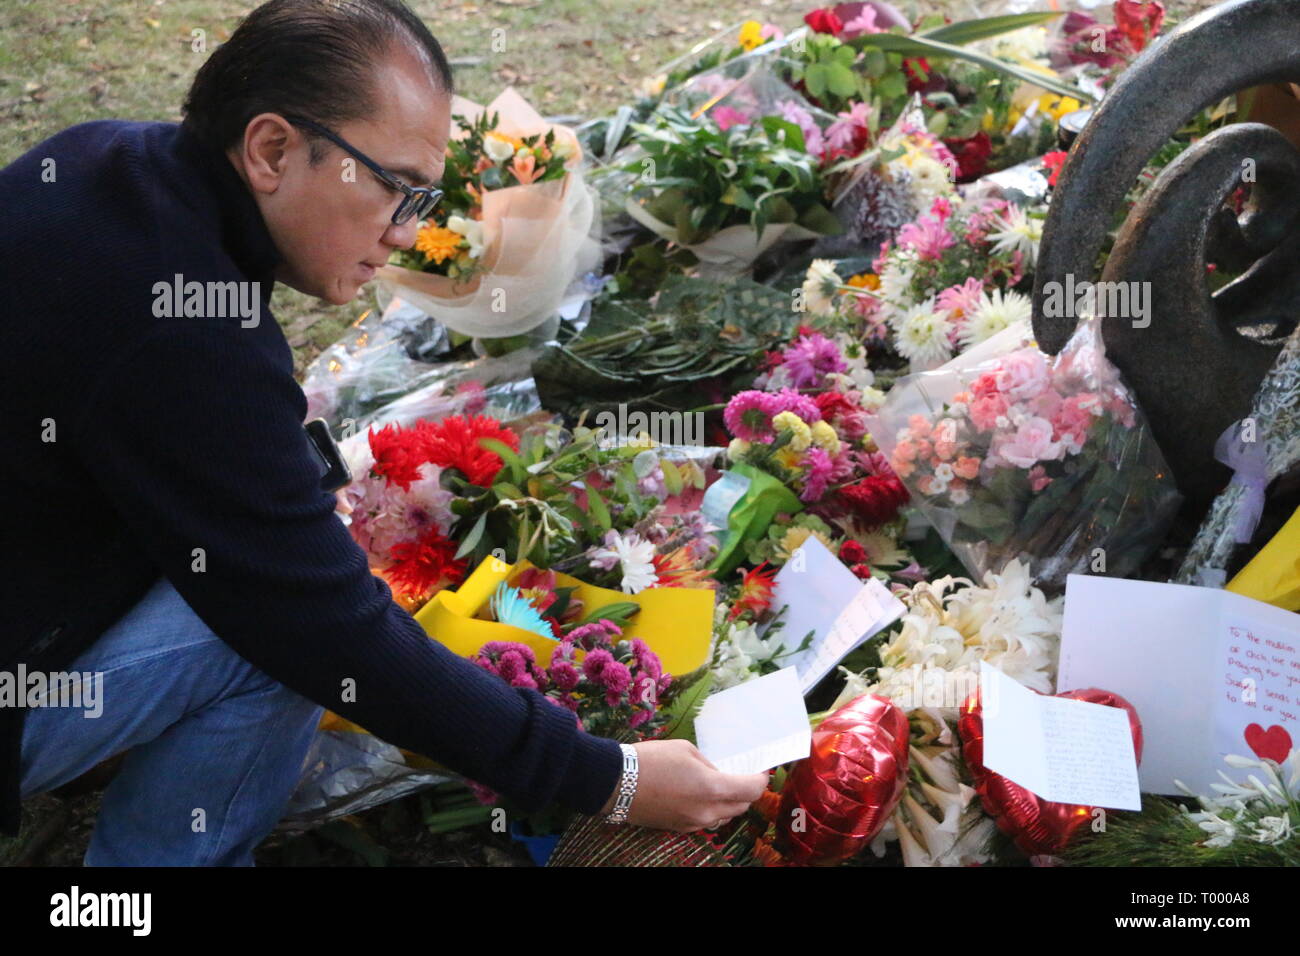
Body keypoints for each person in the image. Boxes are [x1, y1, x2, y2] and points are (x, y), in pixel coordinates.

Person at [0, 0, 767, 865]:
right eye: (395, 190)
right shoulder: (180, 331)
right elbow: (323, 629)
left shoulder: (103, 158)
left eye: (425, 198)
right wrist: (609, 776)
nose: (409, 233)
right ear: (272, 150)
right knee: (267, 637)